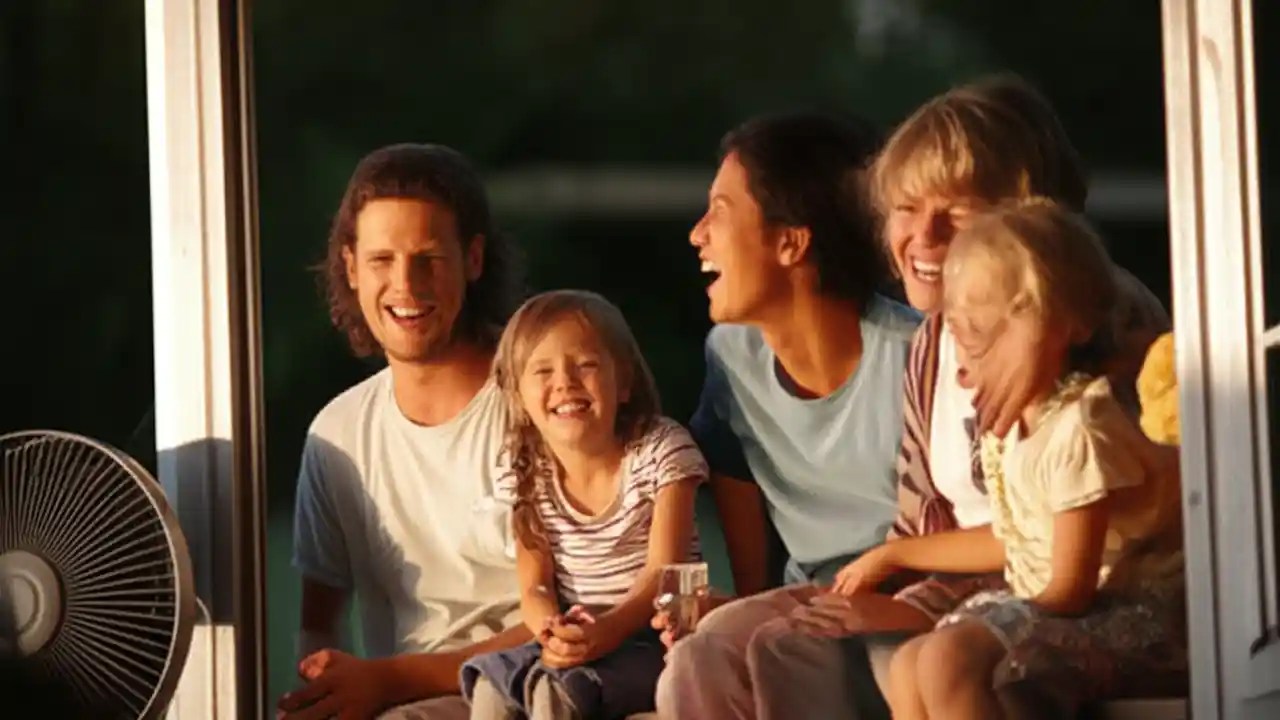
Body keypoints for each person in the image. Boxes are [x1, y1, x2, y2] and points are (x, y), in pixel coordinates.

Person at [780, 73, 1172, 707]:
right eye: (907, 208)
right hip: (990, 579)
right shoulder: (932, 341)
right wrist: (896, 577)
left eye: (957, 208)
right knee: (766, 639)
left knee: (895, 656)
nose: (926, 234)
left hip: (1115, 597)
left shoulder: (1093, 336)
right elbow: (986, 528)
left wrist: (1044, 323)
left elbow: (1065, 575)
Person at [838, 198, 1185, 720]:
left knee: (947, 658)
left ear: (1055, 327)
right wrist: (896, 555)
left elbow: (1070, 587)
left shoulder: (1080, 427)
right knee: (910, 662)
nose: (963, 369)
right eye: (960, 342)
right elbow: (1018, 536)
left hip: (1133, 617)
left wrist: (988, 624)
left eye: (981, 340)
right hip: (1062, 608)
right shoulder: (1015, 424)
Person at [653, 110, 922, 719]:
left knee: (781, 651)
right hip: (803, 604)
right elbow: (735, 486)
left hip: (913, 604)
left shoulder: (917, 360)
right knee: (698, 657)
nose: (698, 234)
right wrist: (736, 604)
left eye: (720, 211)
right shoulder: (732, 356)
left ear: (790, 241)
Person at [279, 143, 530, 720]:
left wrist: (389, 682)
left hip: (533, 692)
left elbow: (582, 614)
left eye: (428, 258)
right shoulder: (336, 436)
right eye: (381, 260)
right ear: (350, 267)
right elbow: (319, 623)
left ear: (472, 259)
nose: (406, 285)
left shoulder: (542, 401)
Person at [459, 290, 708, 719]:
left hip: (652, 637)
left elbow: (663, 576)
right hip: (576, 635)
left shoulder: (661, 451)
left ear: (624, 381)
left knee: (556, 691)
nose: (565, 383)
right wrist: (551, 630)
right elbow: (535, 585)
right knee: (490, 685)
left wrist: (606, 633)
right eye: (542, 371)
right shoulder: (524, 471)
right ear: (518, 396)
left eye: (586, 365)